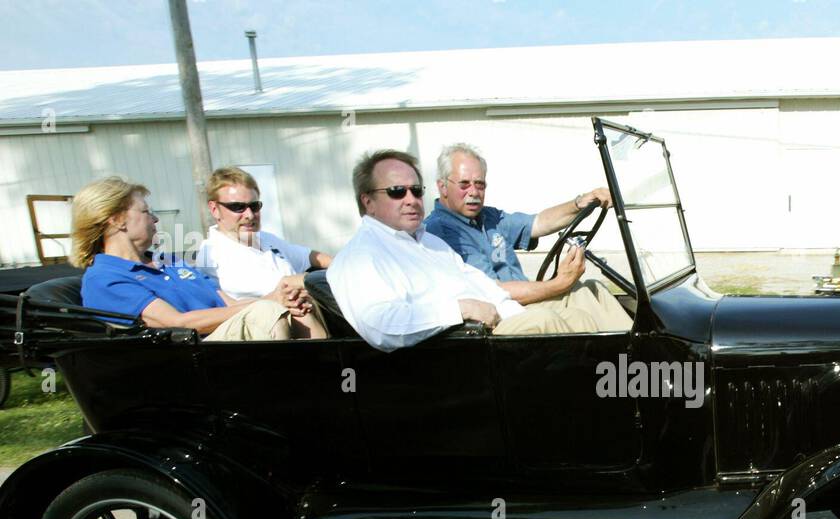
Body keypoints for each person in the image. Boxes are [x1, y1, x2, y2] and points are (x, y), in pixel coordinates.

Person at [329, 150, 631, 352]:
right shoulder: (360, 257)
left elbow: (485, 287)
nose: (410, 199)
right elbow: (381, 326)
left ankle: (642, 378)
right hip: (455, 350)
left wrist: (512, 312)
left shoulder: (427, 243)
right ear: (367, 201)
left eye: (415, 190)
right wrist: (459, 309)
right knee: (548, 326)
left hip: (490, 329)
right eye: (397, 191)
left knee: (580, 318)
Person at [72, 177, 322, 340]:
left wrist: (282, 299)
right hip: (189, 353)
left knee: (300, 302)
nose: (156, 219)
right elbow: (176, 323)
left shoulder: (170, 262)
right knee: (268, 312)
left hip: (220, 337)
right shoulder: (105, 278)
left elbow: (228, 305)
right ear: (116, 220)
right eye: (147, 212)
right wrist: (268, 301)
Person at [424, 143, 630, 330]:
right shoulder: (440, 232)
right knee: (556, 315)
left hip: (522, 303)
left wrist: (579, 203)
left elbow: (538, 223)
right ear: (443, 186)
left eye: (480, 184)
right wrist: (558, 284)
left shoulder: (488, 217)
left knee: (591, 290)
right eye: (464, 184)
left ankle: (638, 357)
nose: (474, 192)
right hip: (496, 316)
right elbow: (491, 291)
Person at [195, 166, 330, 339]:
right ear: (214, 209)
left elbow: (312, 256)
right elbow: (226, 311)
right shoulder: (211, 255)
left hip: (307, 319)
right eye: (238, 207)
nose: (250, 215)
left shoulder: (266, 239)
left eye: (254, 206)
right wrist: (283, 297)